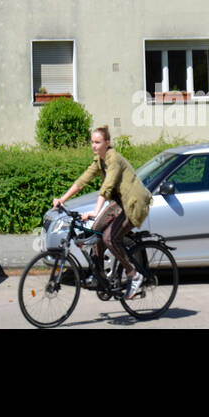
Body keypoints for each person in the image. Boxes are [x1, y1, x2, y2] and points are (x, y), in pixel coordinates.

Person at [53, 126, 152, 299]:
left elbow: (107, 186)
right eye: (92, 142)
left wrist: (95, 211)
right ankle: (100, 277)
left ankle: (133, 274)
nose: (94, 145)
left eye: (98, 142)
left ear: (107, 143)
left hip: (134, 204)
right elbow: (83, 179)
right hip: (120, 202)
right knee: (95, 231)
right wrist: (62, 199)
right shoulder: (100, 160)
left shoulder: (114, 160)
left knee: (109, 238)